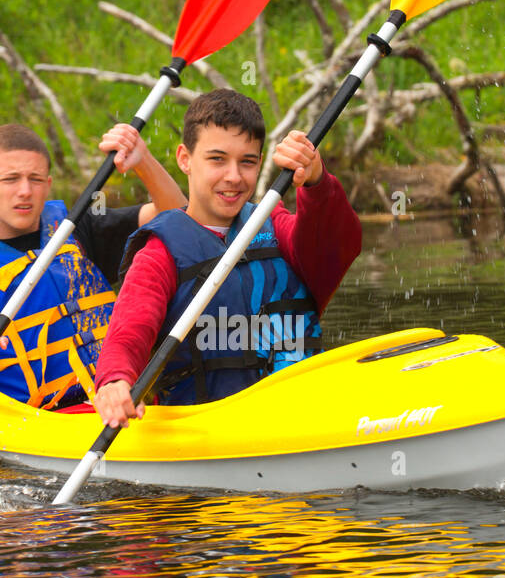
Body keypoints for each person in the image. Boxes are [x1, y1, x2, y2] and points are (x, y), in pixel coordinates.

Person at [93, 88, 361, 428]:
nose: (233, 176)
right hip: (210, 430)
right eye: (217, 159)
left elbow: (337, 246)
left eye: (247, 162)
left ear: (260, 164)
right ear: (185, 159)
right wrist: (115, 379)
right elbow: (130, 329)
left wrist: (318, 181)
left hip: (303, 415)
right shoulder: (159, 254)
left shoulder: (275, 226)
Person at [0, 122, 184, 408]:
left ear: (49, 185)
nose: (25, 191)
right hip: (41, 418)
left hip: (118, 396)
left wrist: (143, 161)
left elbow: (176, 217)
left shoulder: (74, 231)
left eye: (36, 179)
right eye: (10, 179)